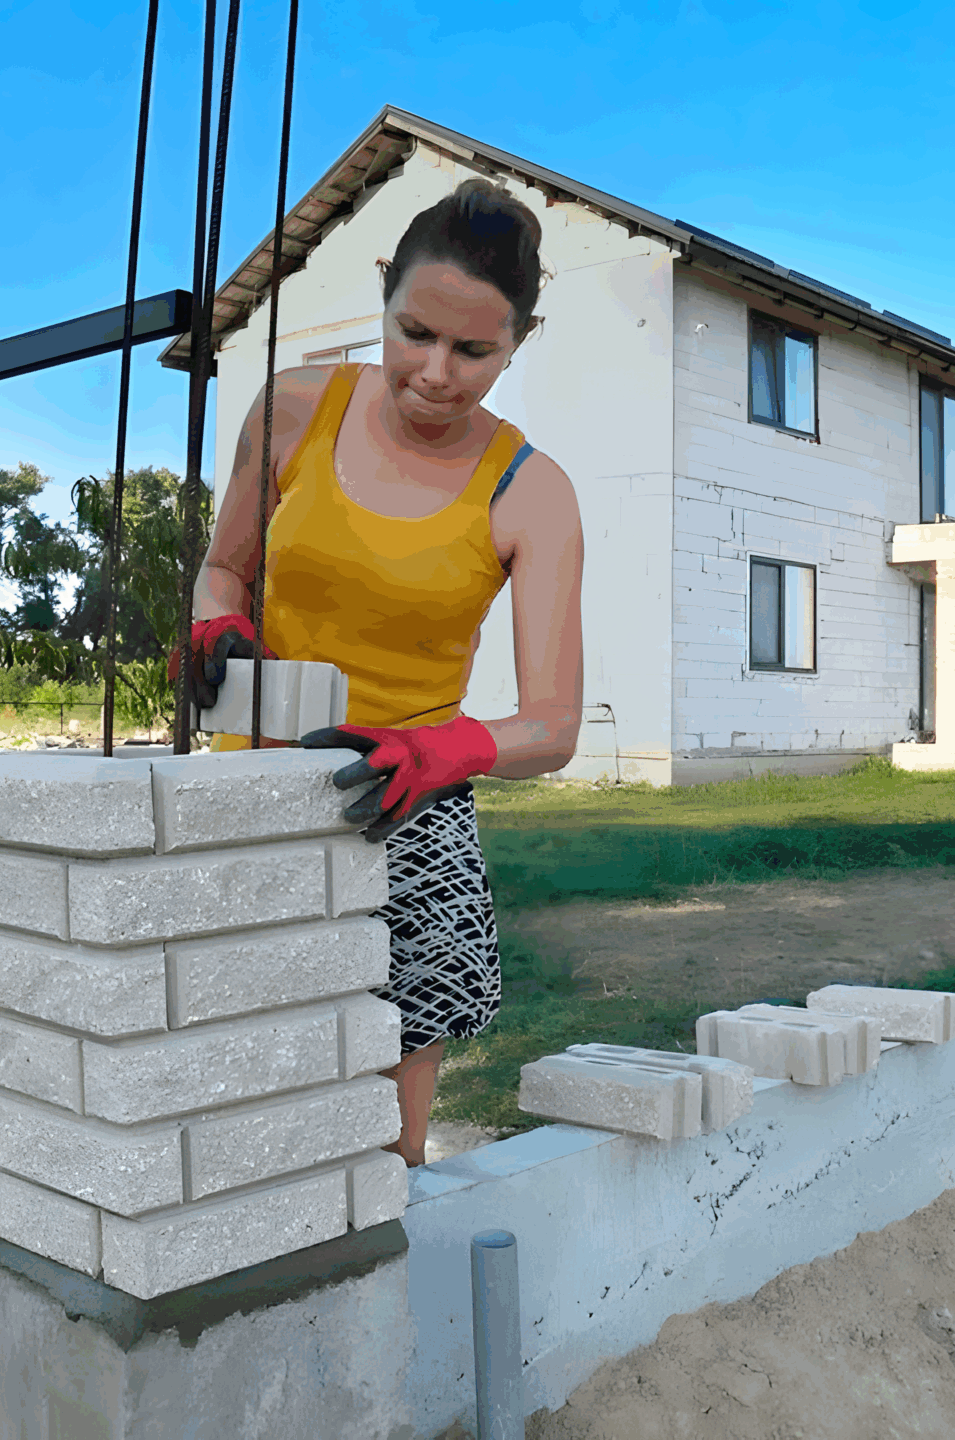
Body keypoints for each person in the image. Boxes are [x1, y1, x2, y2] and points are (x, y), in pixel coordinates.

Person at [188, 178, 584, 1167]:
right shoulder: (289, 411)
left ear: (520, 340)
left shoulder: (532, 494)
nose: (436, 373)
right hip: (256, 789)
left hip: (405, 810)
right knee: (241, 1102)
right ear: (382, 290)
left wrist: (441, 747)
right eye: (413, 332)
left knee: (382, 1148)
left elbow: (554, 724)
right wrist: (214, 625)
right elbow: (223, 567)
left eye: (474, 351)